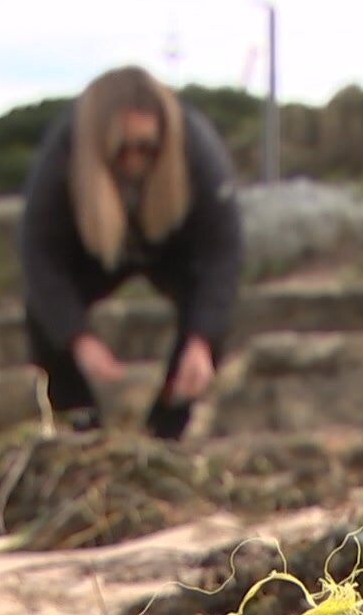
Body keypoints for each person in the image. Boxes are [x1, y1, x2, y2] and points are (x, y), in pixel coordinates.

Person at [16, 65, 245, 440]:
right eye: (122, 149)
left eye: (147, 148)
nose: (135, 161)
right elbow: (40, 256)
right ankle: (80, 425)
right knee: (44, 315)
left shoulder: (197, 149)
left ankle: (166, 432)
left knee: (208, 311)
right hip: (92, 247)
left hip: (170, 242)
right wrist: (79, 337)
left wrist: (203, 341)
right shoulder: (62, 154)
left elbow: (223, 252)